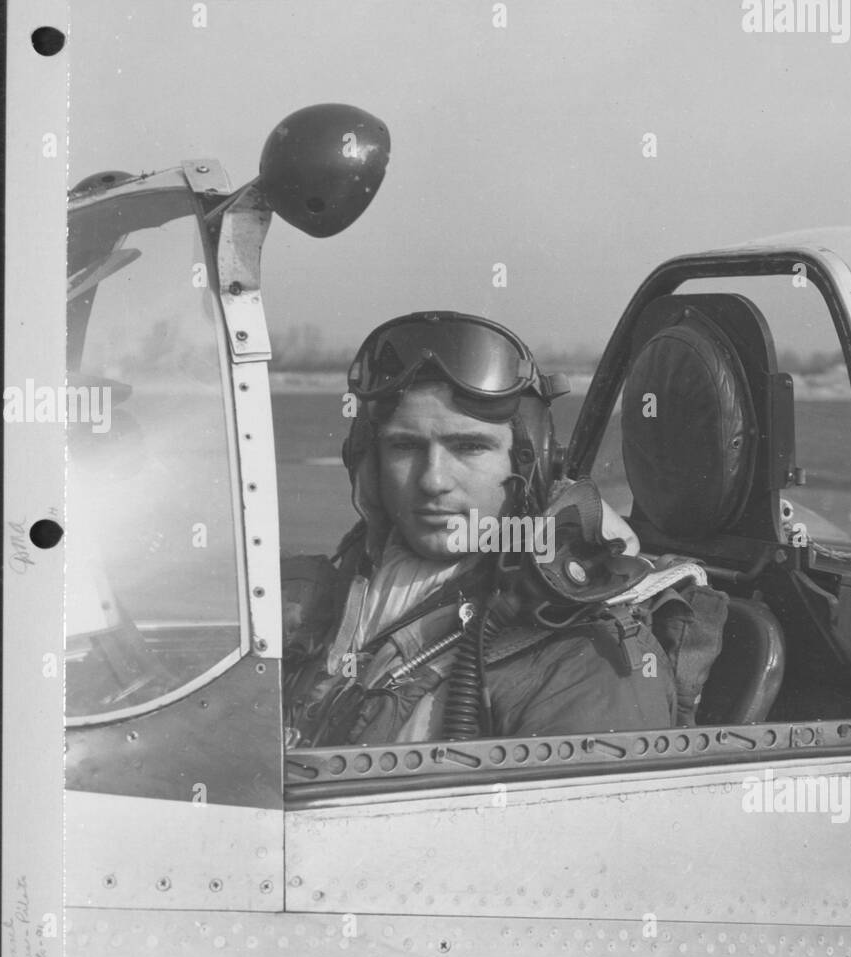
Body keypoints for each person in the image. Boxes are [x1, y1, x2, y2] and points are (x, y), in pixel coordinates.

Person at [281, 311, 700, 749]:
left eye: (469, 447)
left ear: (528, 463)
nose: (433, 480)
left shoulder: (586, 659)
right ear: (371, 461)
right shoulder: (338, 599)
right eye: (405, 446)